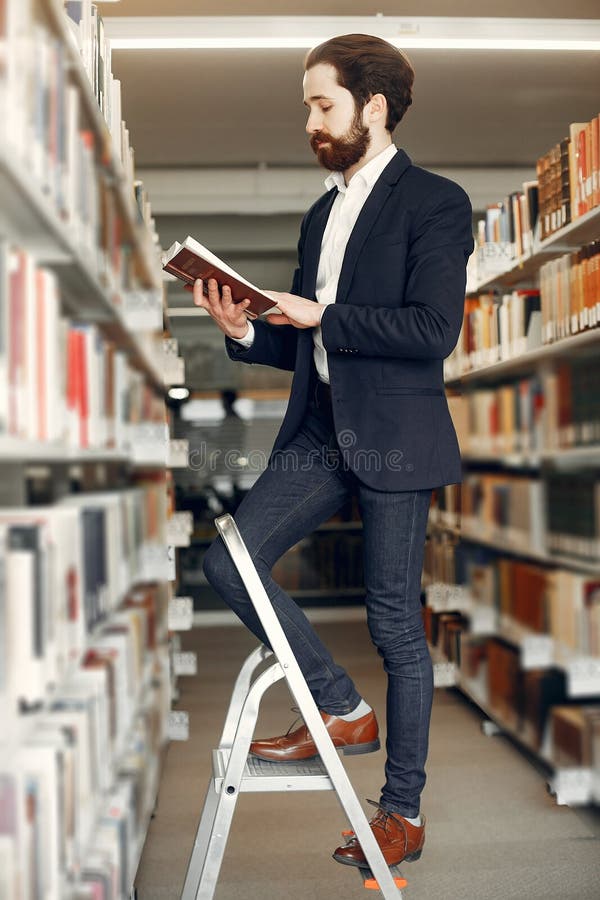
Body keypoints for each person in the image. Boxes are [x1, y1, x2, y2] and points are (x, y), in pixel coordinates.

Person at [199, 33, 474, 870]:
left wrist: (323, 315)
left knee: (394, 623)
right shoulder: (321, 215)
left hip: (396, 436)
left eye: (324, 104)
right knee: (229, 561)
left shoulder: (436, 202)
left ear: (373, 107)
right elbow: (310, 344)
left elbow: (433, 331)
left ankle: (402, 813)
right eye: (308, 106)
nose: (311, 121)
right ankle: (340, 707)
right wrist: (248, 331)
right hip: (320, 432)